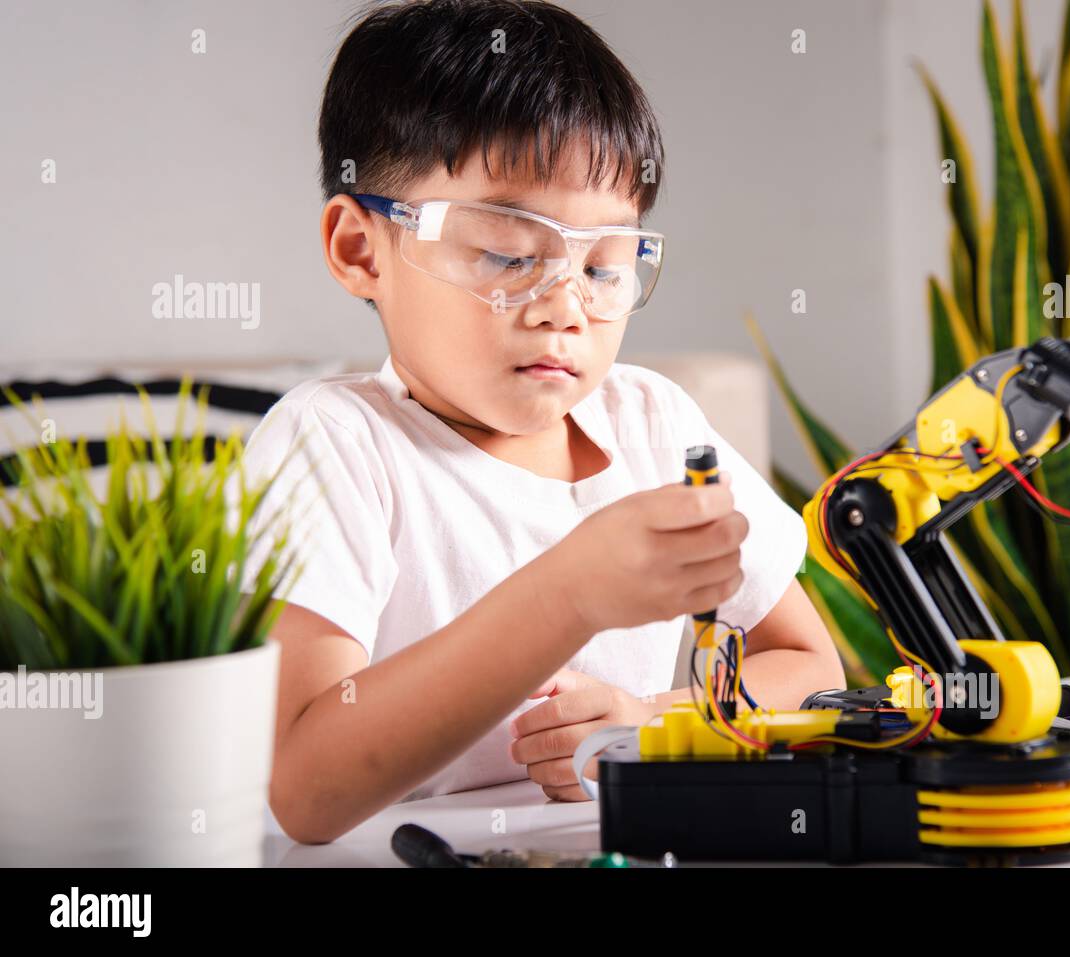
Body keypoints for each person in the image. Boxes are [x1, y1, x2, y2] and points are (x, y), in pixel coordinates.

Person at [243, 0, 844, 845]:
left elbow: (810, 667)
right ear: (359, 249)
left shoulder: (651, 422)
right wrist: (568, 592)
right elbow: (305, 789)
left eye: (605, 265)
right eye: (508, 253)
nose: (566, 307)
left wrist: (648, 720)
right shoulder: (334, 444)